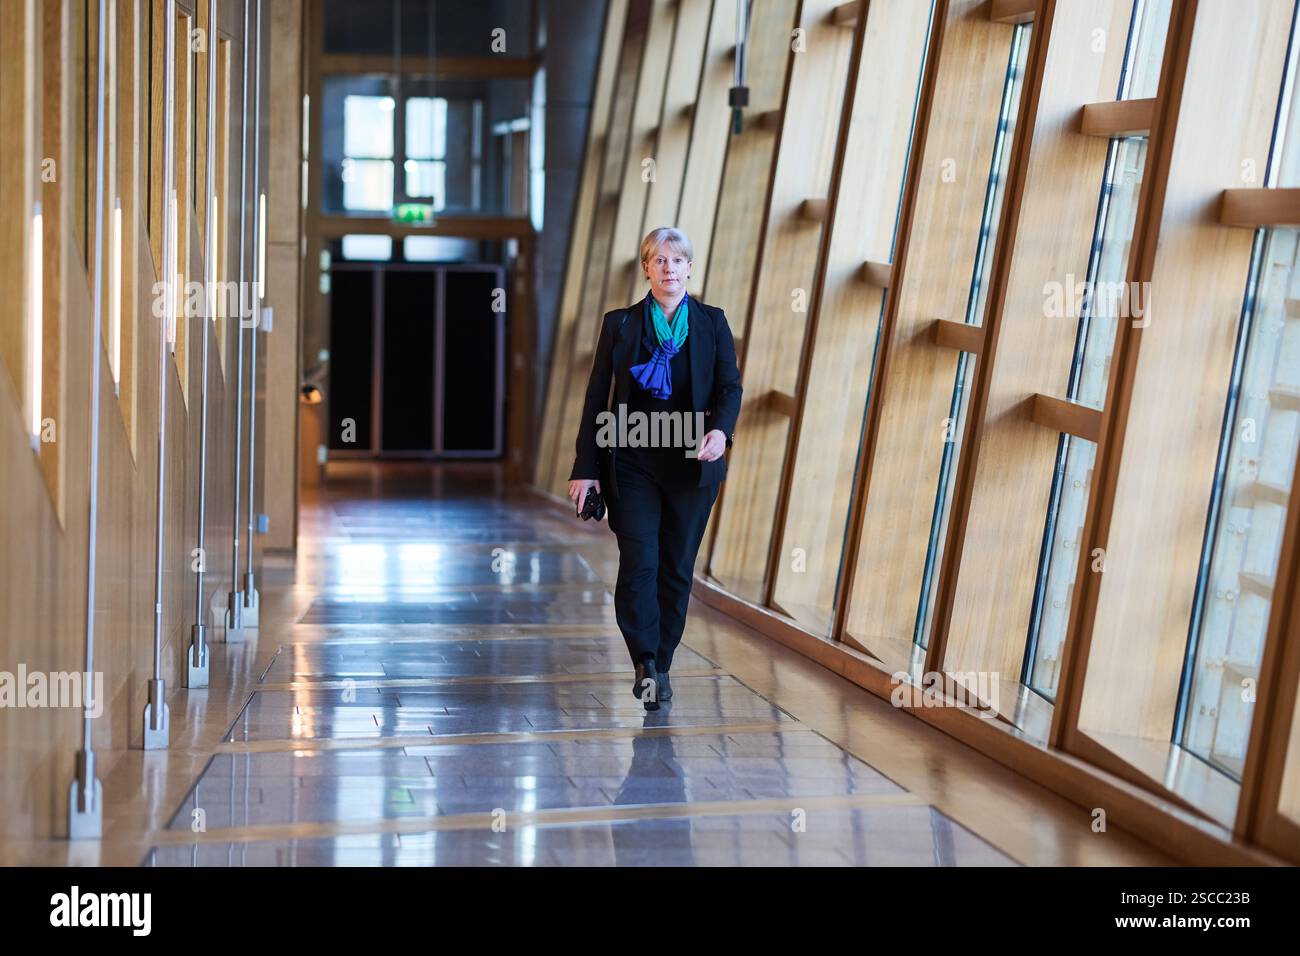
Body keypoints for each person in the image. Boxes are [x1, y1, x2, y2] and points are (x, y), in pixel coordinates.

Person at [568, 227, 742, 710]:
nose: (669, 269)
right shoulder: (621, 325)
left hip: (691, 465)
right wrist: (585, 468)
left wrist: (720, 432)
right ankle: (644, 660)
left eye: (677, 260)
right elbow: (596, 399)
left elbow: (729, 387)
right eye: (659, 260)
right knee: (640, 562)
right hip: (632, 463)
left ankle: (662, 662)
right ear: (646, 268)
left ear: (690, 268)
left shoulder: (712, 323)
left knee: (676, 569)